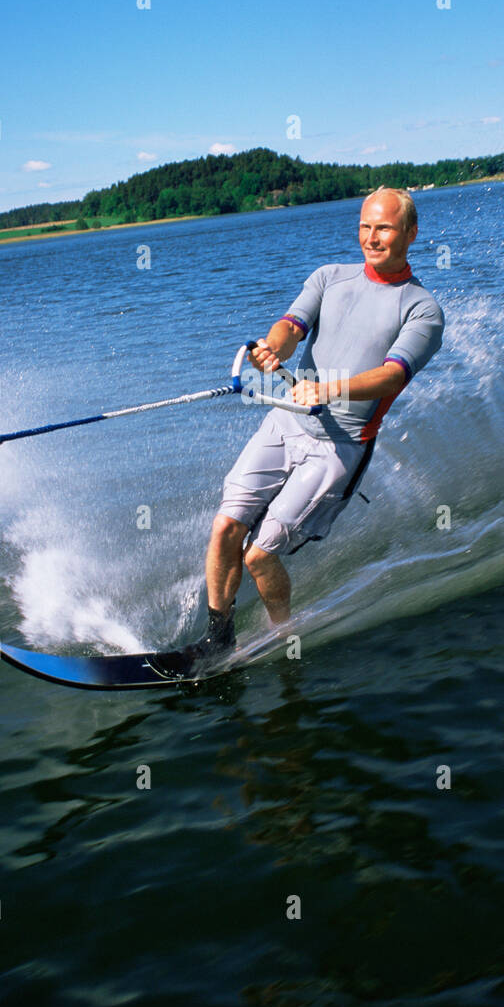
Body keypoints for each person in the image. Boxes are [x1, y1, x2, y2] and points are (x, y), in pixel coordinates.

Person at [164, 186, 444, 677]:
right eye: (365, 226)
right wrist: (272, 350)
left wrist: (329, 389)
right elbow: (289, 327)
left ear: (410, 233)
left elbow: (393, 375)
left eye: (384, 228)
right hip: (284, 424)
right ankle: (217, 637)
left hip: (339, 446)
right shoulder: (329, 278)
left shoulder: (422, 309)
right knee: (226, 526)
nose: (371, 238)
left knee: (259, 552)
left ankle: (284, 639)